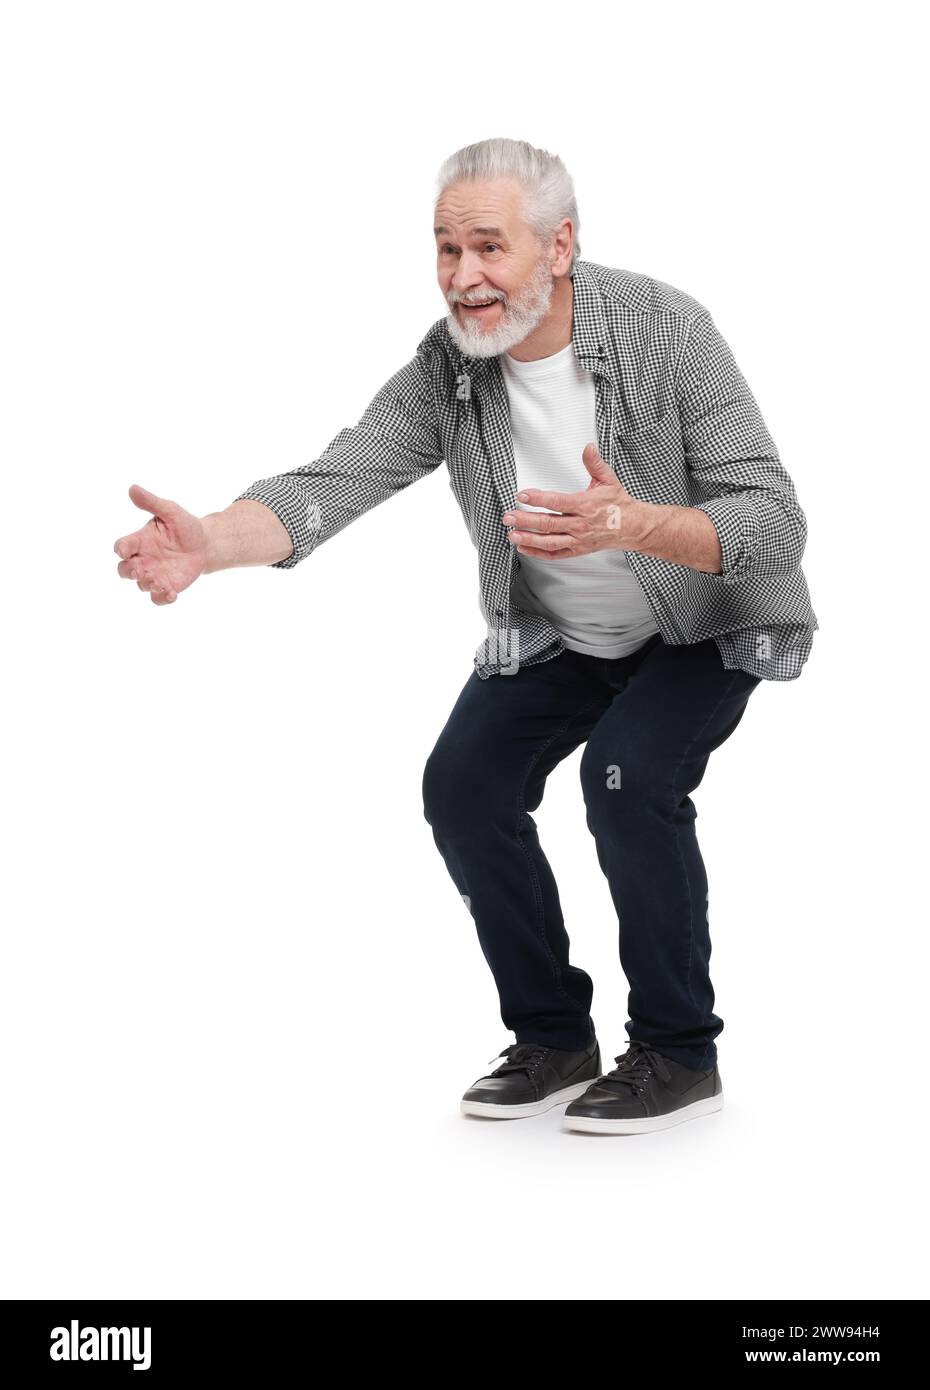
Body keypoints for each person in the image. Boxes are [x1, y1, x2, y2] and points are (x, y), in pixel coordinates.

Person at [114, 137, 818, 1135]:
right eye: (445, 249)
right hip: (565, 631)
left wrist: (640, 523)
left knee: (625, 775)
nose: (463, 276)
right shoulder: (451, 366)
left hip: (698, 623)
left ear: (559, 245)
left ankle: (676, 1047)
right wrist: (211, 541)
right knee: (463, 784)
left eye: (489, 247)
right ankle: (551, 1035)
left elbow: (775, 520)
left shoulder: (668, 330)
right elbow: (341, 474)